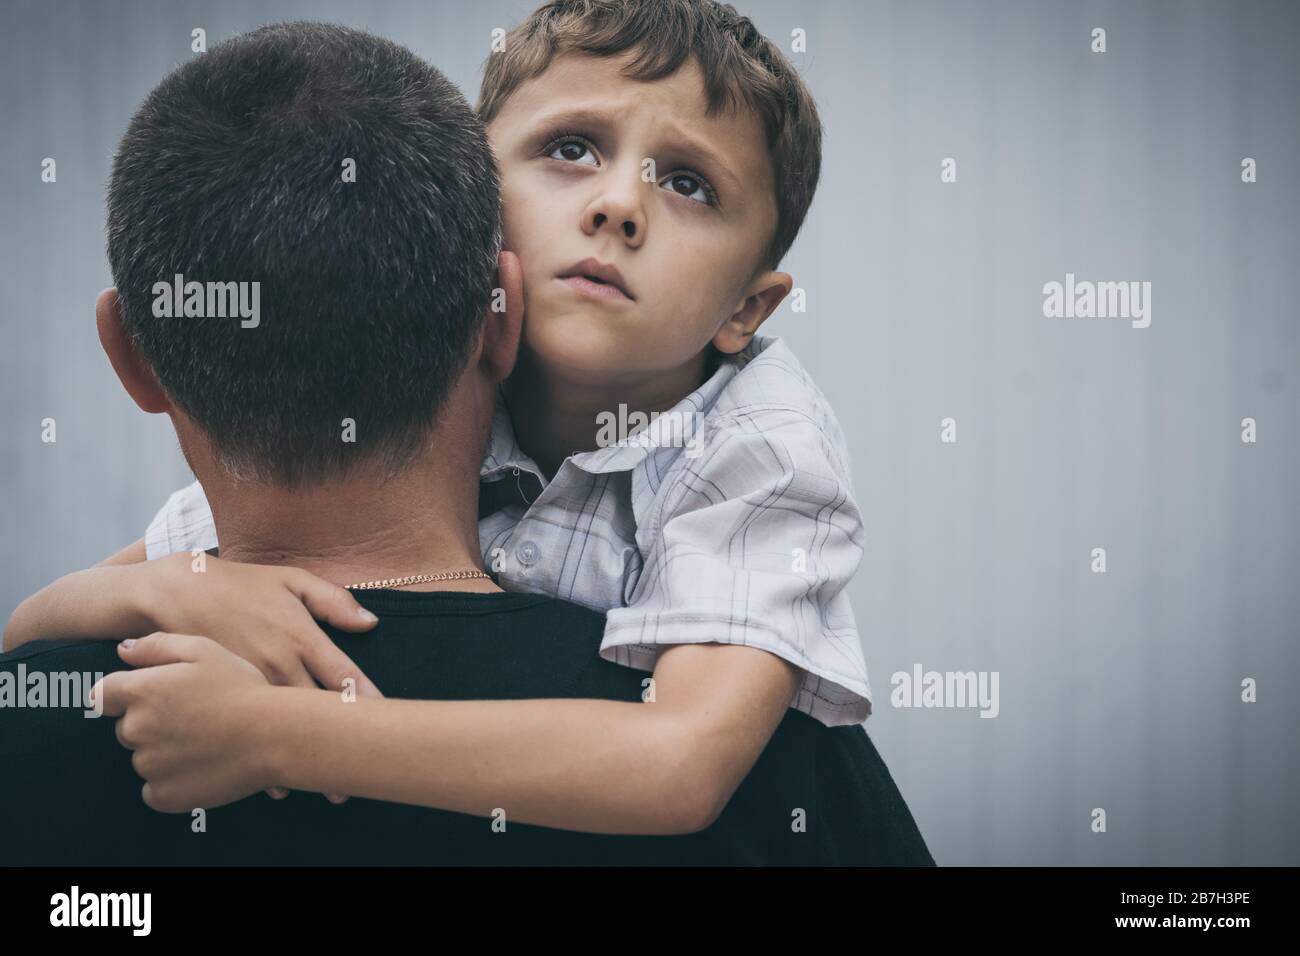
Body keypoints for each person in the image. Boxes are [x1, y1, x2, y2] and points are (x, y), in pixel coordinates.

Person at [1, 16, 933, 864]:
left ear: (748, 308)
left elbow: (680, 766)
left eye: (687, 183)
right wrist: (182, 585)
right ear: (478, 212)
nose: (619, 206)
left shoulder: (760, 452)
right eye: (572, 148)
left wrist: (276, 732)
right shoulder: (423, 384)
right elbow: (34, 622)